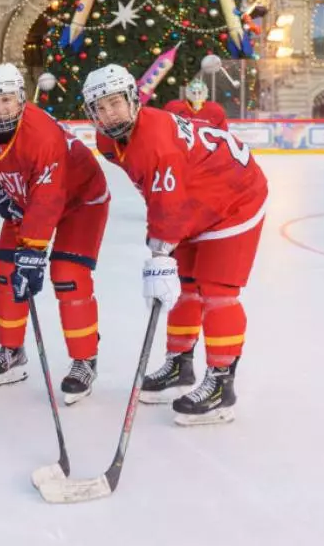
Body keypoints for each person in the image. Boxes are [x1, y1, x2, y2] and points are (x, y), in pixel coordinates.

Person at [83, 64, 267, 425]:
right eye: (99, 108)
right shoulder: (107, 140)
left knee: (218, 292)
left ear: (134, 100)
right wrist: (164, 245)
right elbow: (158, 190)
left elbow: (166, 197)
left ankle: (220, 384)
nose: (108, 115)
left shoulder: (156, 141)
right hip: (192, 198)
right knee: (184, 289)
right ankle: (179, 366)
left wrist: (159, 252)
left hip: (235, 198)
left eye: (115, 103)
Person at [0, 64, 110, 403]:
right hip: (27, 202)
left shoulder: (41, 135)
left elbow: (49, 196)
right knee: (7, 273)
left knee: (68, 276)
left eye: (7, 100)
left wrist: (33, 250)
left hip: (80, 200)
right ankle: (12, 352)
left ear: (21, 100)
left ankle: (84, 359)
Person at [163, 77, 228, 130]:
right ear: (188, 93)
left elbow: (224, 134)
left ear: (205, 93)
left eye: (199, 92)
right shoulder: (174, 106)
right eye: (193, 92)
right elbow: (165, 128)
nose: (197, 96)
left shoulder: (215, 109)